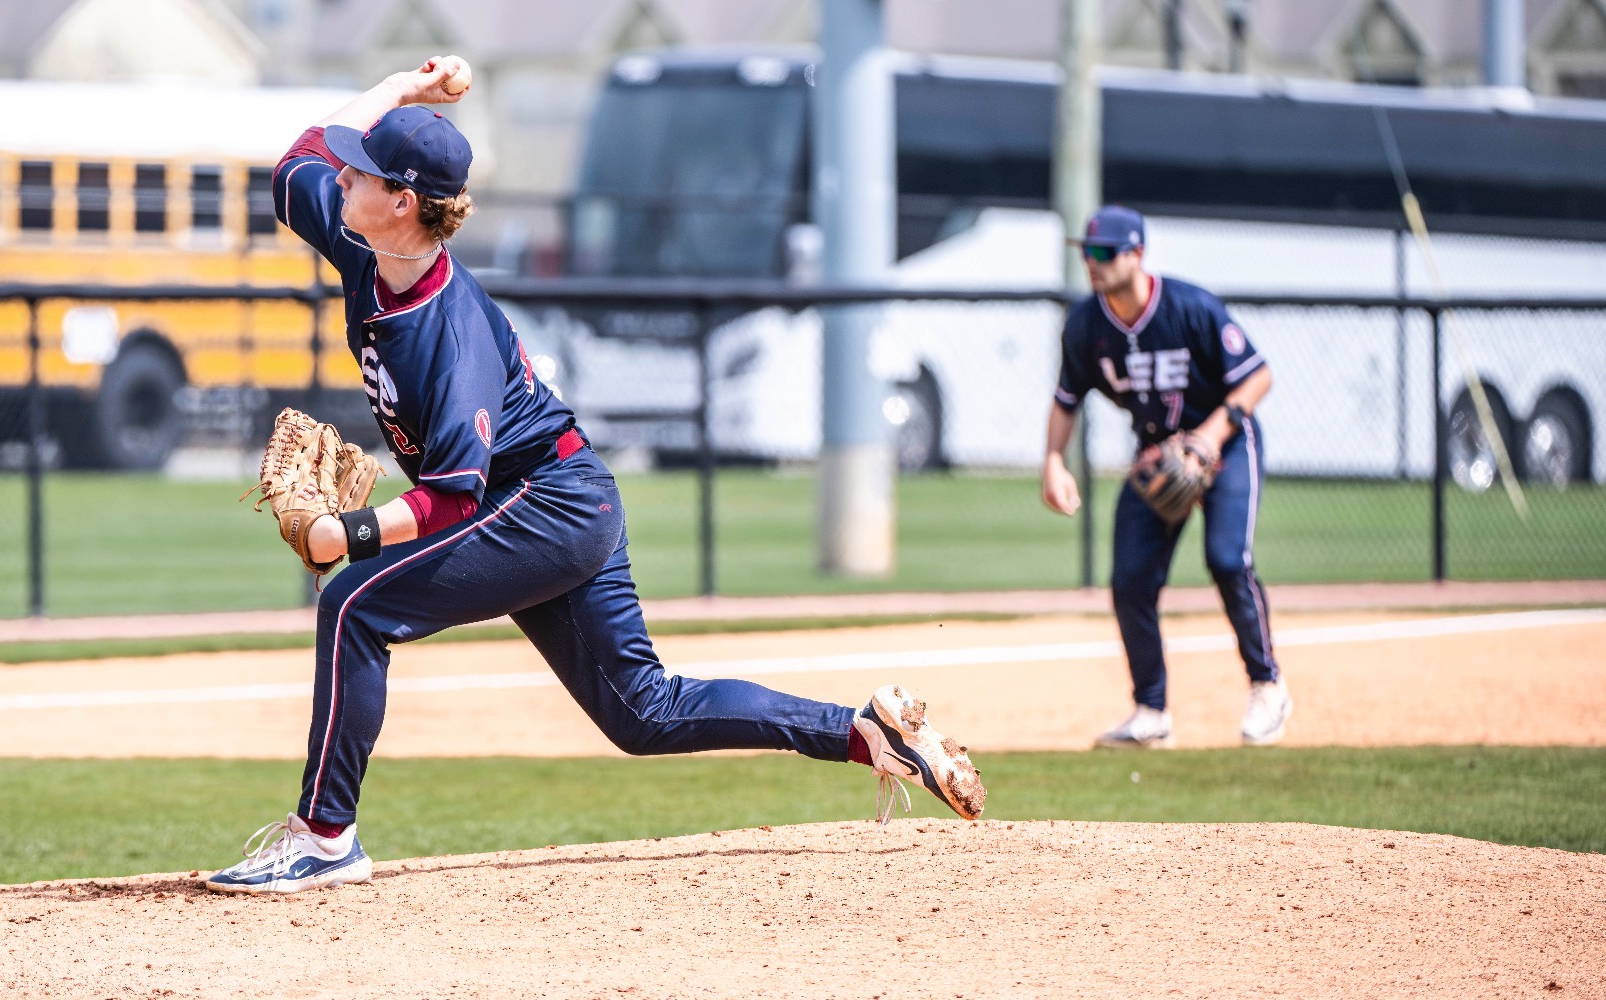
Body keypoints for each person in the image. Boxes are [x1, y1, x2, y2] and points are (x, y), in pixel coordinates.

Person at [204, 57, 985, 895]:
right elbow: (297, 160)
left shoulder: (450, 333)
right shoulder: (366, 243)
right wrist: (400, 87)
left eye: (360, 169)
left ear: (401, 201)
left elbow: (452, 497)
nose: (341, 174)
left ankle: (324, 839)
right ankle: (863, 733)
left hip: (543, 503)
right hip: (561, 498)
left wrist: (347, 534)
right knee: (642, 713)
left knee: (355, 604)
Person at [1040, 205, 1292, 750]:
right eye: (1088, 252)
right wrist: (1054, 462)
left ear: (1136, 254)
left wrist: (1208, 437)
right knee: (1131, 578)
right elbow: (1066, 401)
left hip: (1225, 441)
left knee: (1227, 559)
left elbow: (1258, 378)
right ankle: (1151, 712)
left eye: (1105, 252)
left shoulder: (1189, 306)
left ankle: (1268, 685)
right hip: (1158, 457)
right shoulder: (1086, 326)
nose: (1094, 262)